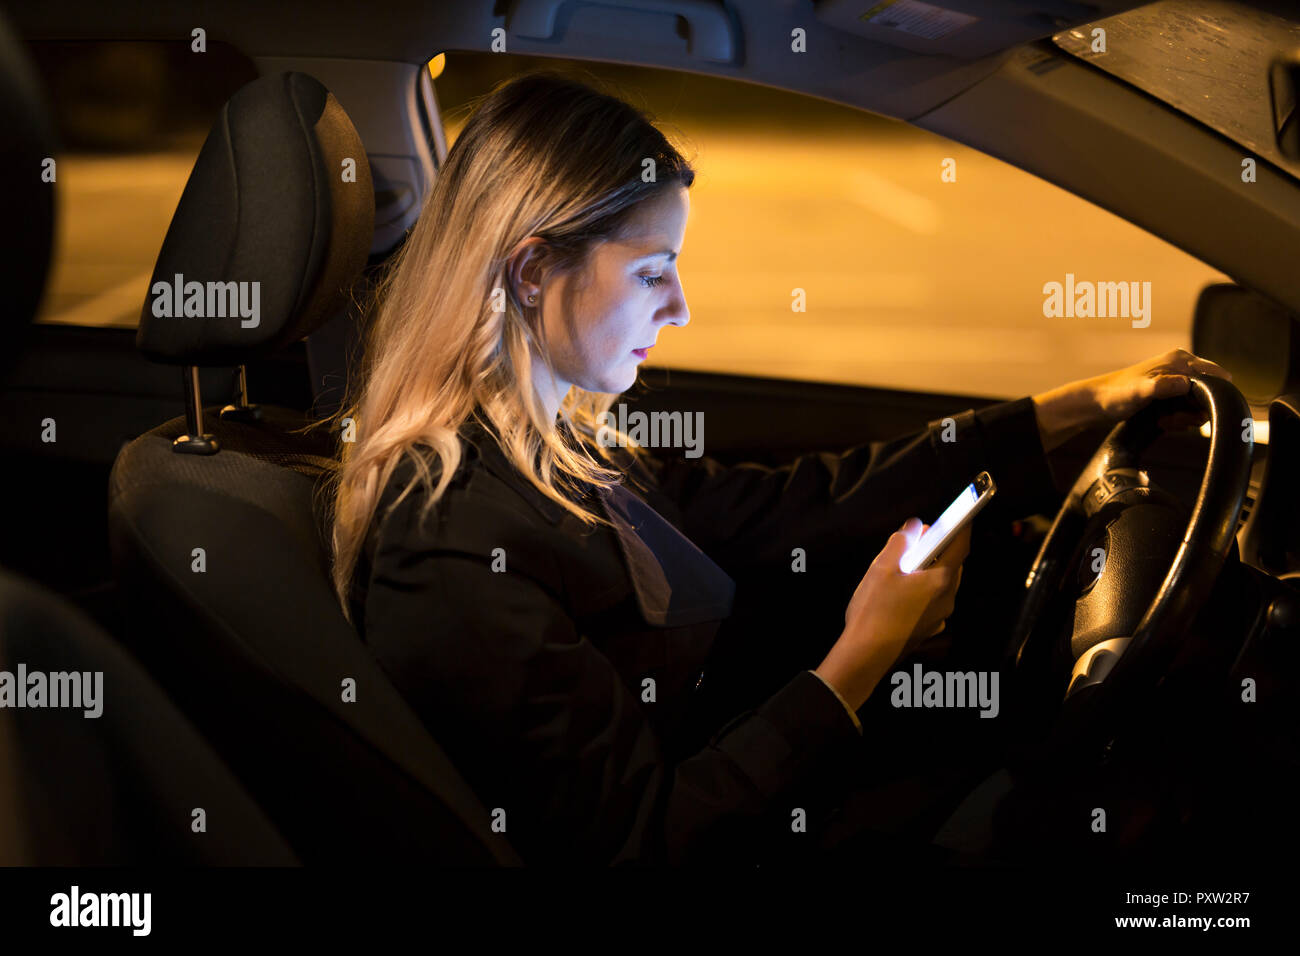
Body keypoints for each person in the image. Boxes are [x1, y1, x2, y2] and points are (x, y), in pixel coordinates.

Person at [324, 69, 1232, 866]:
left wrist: (1069, 412)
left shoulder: (555, 456)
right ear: (531, 272)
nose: (681, 307)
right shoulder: (452, 544)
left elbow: (792, 507)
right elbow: (647, 846)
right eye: (652, 273)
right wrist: (862, 657)